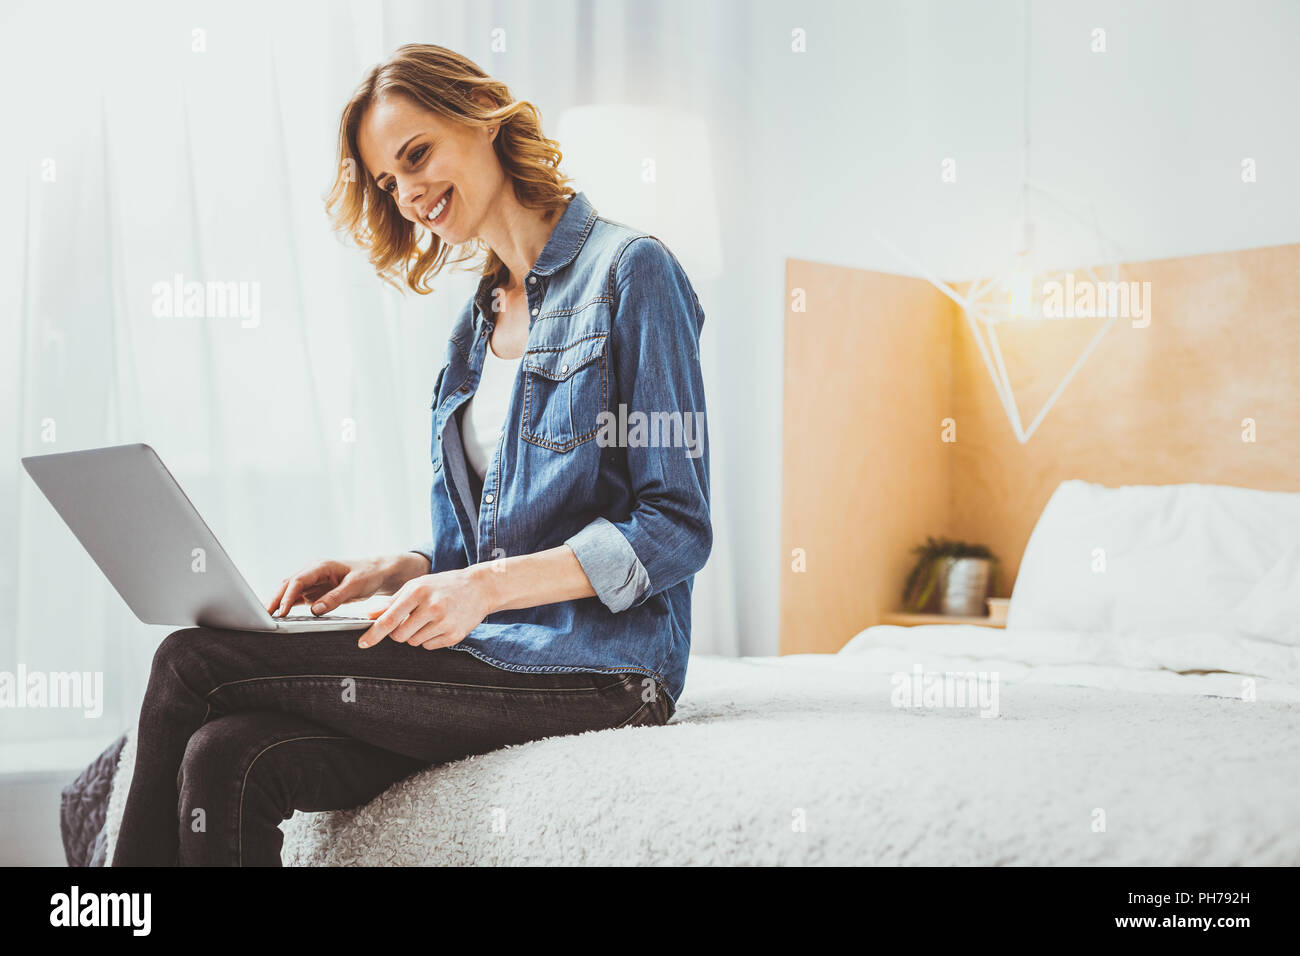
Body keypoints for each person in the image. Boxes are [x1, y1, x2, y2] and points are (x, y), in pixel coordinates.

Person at [110, 43, 711, 866]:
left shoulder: (632, 273)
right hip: (492, 659)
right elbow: (483, 546)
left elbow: (675, 526)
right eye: (389, 181)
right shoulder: (477, 322)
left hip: (606, 668)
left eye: (416, 155)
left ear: (481, 118)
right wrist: (396, 568)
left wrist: (486, 586)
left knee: (190, 661)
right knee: (229, 758)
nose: (408, 192)